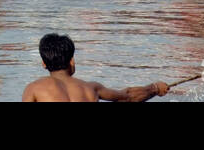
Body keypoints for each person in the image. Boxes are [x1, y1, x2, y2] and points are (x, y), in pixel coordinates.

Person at [22, 33, 168, 102]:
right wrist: (155, 88)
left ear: (44, 63)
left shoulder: (34, 89)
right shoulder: (91, 88)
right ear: (72, 61)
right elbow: (128, 96)